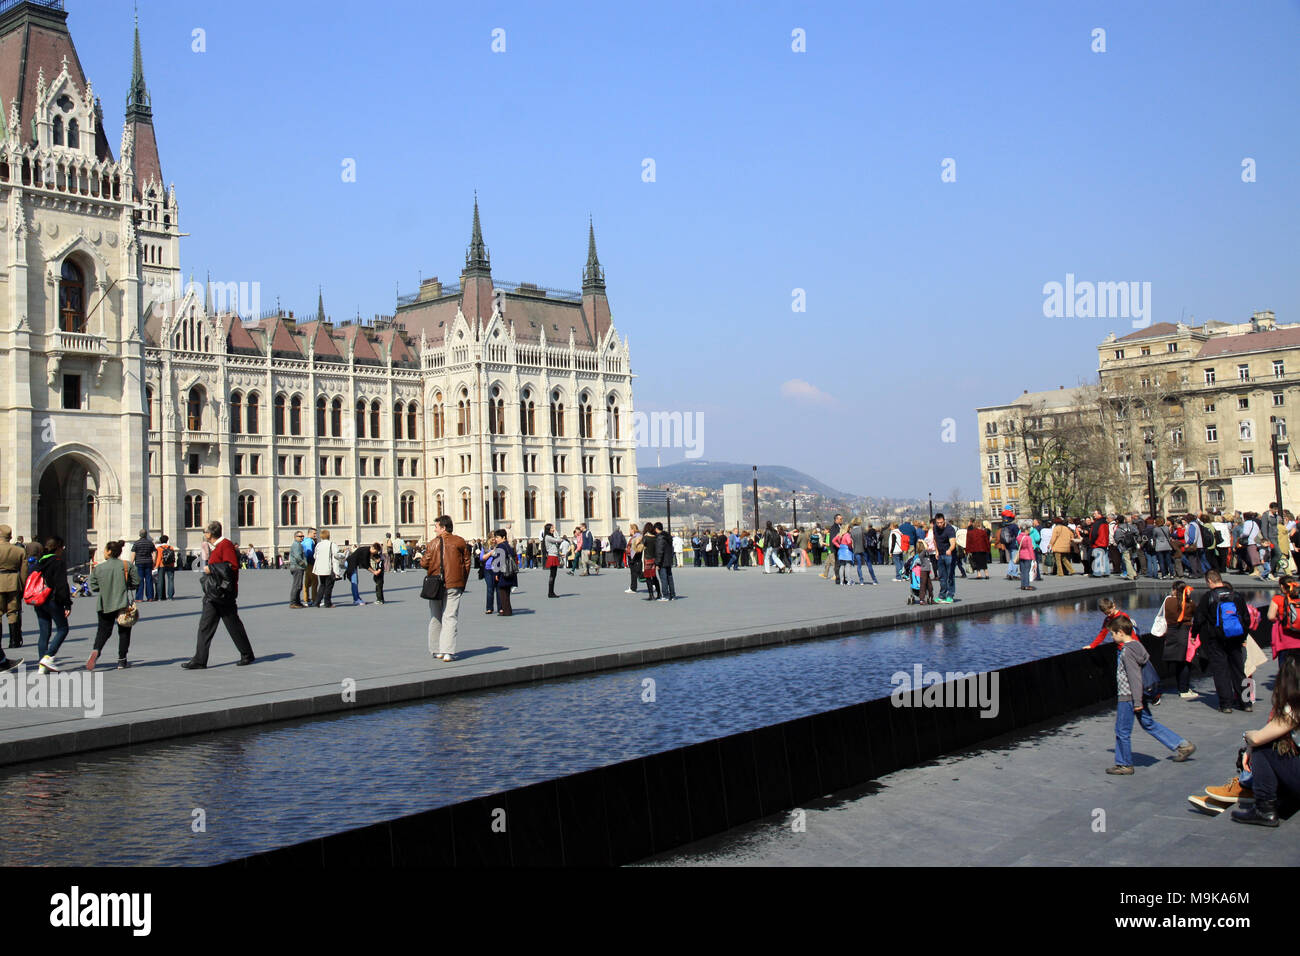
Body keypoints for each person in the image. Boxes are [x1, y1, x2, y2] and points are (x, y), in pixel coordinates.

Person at [1105, 617, 1196, 775]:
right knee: (1148, 723)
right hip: (1139, 695)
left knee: (1122, 730)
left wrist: (1137, 702)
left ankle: (1124, 763)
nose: (1111, 637)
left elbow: (1134, 677)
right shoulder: (1137, 645)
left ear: (1120, 633)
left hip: (1129, 696)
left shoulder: (1126, 652)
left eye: (1112, 634)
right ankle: (1182, 745)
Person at [1230, 656, 1300, 826]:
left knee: (1264, 747)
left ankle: (1264, 808)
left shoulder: (1295, 710)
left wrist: (1248, 740)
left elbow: (1258, 737)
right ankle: (1285, 799)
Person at [182, 521, 256, 669]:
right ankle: (200, 660)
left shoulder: (226, 545)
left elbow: (232, 566)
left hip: (223, 594)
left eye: (205, 531)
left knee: (233, 624)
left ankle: (247, 654)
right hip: (214, 594)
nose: (204, 534)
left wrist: (211, 568)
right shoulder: (217, 546)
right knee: (205, 626)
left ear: (210, 534)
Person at [1192, 570, 1251, 714]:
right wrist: (1243, 636)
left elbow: (1199, 619)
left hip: (1216, 639)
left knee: (1221, 671)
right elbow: (1246, 618)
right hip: (1235, 637)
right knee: (1239, 670)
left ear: (1210, 581)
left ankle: (1226, 705)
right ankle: (1246, 703)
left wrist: (1194, 634)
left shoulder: (1208, 597)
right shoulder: (1236, 596)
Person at [423, 515, 471, 661]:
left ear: (443, 528)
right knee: (450, 617)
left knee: (435, 617)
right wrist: (462, 580)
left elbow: (424, 563)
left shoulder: (432, 544)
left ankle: (436, 650)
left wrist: (433, 566)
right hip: (454, 583)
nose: (434, 530)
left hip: (435, 585)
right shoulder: (460, 541)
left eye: (436, 527)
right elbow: (467, 563)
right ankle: (448, 652)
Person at [87, 538, 139, 670]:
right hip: (122, 603)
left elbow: (93, 586)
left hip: (104, 603)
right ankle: (122, 660)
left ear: (109, 552)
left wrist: (104, 588)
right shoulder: (127, 565)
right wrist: (126, 585)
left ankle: (96, 650)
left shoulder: (99, 568)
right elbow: (136, 582)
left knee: (103, 631)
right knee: (124, 631)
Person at [32, 536, 73, 673]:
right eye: (63, 548)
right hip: (53, 600)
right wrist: (67, 604)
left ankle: (41, 666)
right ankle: (48, 657)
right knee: (63, 629)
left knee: (44, 632)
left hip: (39, 600)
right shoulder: (57, 561)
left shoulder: (40, 561)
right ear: (58, 548)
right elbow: (61, 584)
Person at [1160, 581, 1199, 699]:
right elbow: (1196, 615)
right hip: (1184, 632)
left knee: (1177, 661)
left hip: (1171, 632)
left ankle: (1181, 687)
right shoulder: (1189, 603)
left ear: (1174, 589)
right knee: (1185, 662)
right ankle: (1184, 689)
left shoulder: (1168, 601)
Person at [1265, 575, 1300, 673]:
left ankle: (1286, 685)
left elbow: (1270, 616)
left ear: (1281, 586)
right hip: (1298, 639)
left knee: (1284, 667)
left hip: (1284, 639)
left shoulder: (1278, 599)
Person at [0, 525, 28, 649]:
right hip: (13, 583)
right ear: (10, 536)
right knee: (13, 612)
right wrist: (22, 586)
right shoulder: (19, 550)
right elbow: (24, 571)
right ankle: (14, 641)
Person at [490, 529, 518, 615]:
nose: (496, 539)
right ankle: (507, 610)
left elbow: (499, 561)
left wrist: (496, 574)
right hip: (510, 571)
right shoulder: (508, 546)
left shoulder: (500, 546)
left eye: (497, 537)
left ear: (503, 537)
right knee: (507, 592)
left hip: (503, 572)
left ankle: (506, 611)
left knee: (503, 592)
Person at [932, 513, 956, 602]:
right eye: (938, 523)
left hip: (949, 554)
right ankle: (942, 595)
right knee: (942, 576)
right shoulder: (935, 528)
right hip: (940, 554)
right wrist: (936, 551)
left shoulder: (950, 529)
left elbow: (953, 543)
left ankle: (950, 595)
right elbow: (935, 539)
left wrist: (949, 550)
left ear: (944, 520)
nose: (939, 525)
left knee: (950, 576)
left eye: (941, 522)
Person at [312, 529, 338, 608]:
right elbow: (336, 555)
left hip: (320, 569)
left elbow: (315, 556)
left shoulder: (318, 545)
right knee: (329, 586)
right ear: (329, 536)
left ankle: (317, 602)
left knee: (322, 585)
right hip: (329, 568)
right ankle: (328, 603)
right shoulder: (332, 544)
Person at [130, 529, 156, 602]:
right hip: (148, 562)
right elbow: (154, 553)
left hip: (139, 563)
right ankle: (150, 597)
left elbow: (133, 554)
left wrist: (131, 564)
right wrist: (153, 561)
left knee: (140, 580)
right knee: (149, 580)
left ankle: (139, 598)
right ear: (146, 534)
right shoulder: (150, 543)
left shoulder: (136, 543)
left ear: (139, 535)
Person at [654, 521, 677, 601]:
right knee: (669, 578)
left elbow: (659, 551)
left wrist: (657, 563)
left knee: (663, 579)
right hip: (668, 560)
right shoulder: (667, 536)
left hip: (663, 561)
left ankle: (665, 595)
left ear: (656, 529)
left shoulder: (660, 538)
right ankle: (673, 594)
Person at [153, 533, 177, 600]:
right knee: (171, 580)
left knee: (160, 580)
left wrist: (156, 566)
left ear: (160, 541)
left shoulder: (159, 548)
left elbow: (159, 558)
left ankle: (160, 596)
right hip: (170, 565)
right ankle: (170, 596)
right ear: (167, 540)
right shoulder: (171, 547)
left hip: (162, 565)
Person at [542, 523, 563, 598]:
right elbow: (559, 540)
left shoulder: (549, 537)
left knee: (553, 575)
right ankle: (550, 592)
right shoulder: (548, 537)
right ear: (548, 529)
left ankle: (551, 592)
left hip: (553, 555)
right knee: (552, 575)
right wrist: (556, 532)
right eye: (551, 528)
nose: (553, 529)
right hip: (552, 556)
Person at [288, 531, 308, 608]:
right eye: (300, 536)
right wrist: (303, 564)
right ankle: (293, 603)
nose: (302, 537)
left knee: (298, 585)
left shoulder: (298, 544)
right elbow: (297, 557)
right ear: (295, 537)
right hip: (297, 567)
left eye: (303, 536)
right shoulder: (297, 545)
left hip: (296, 567)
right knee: (297, 585)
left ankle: (297, 602)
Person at [302, 528, 318, 605]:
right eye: (314, 533)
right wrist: (313, 561)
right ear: (310, 533)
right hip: (311, 564)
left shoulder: (304, 540)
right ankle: (314, 599)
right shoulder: (309, 541)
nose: (315, 535)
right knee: (315, 581)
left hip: (306, 564)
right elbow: (309, 553)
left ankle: (306, 598)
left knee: (307, 582)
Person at [626, 523, 642, 594]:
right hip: (631, 556)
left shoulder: (637, 536)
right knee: (634, 573)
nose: (629, 530)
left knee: (637, 572)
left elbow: (636, 546)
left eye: (630, 529)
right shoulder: (633, 537)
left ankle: (652, 583)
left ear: (633, 529)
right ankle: (633, 587)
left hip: (635, 556)